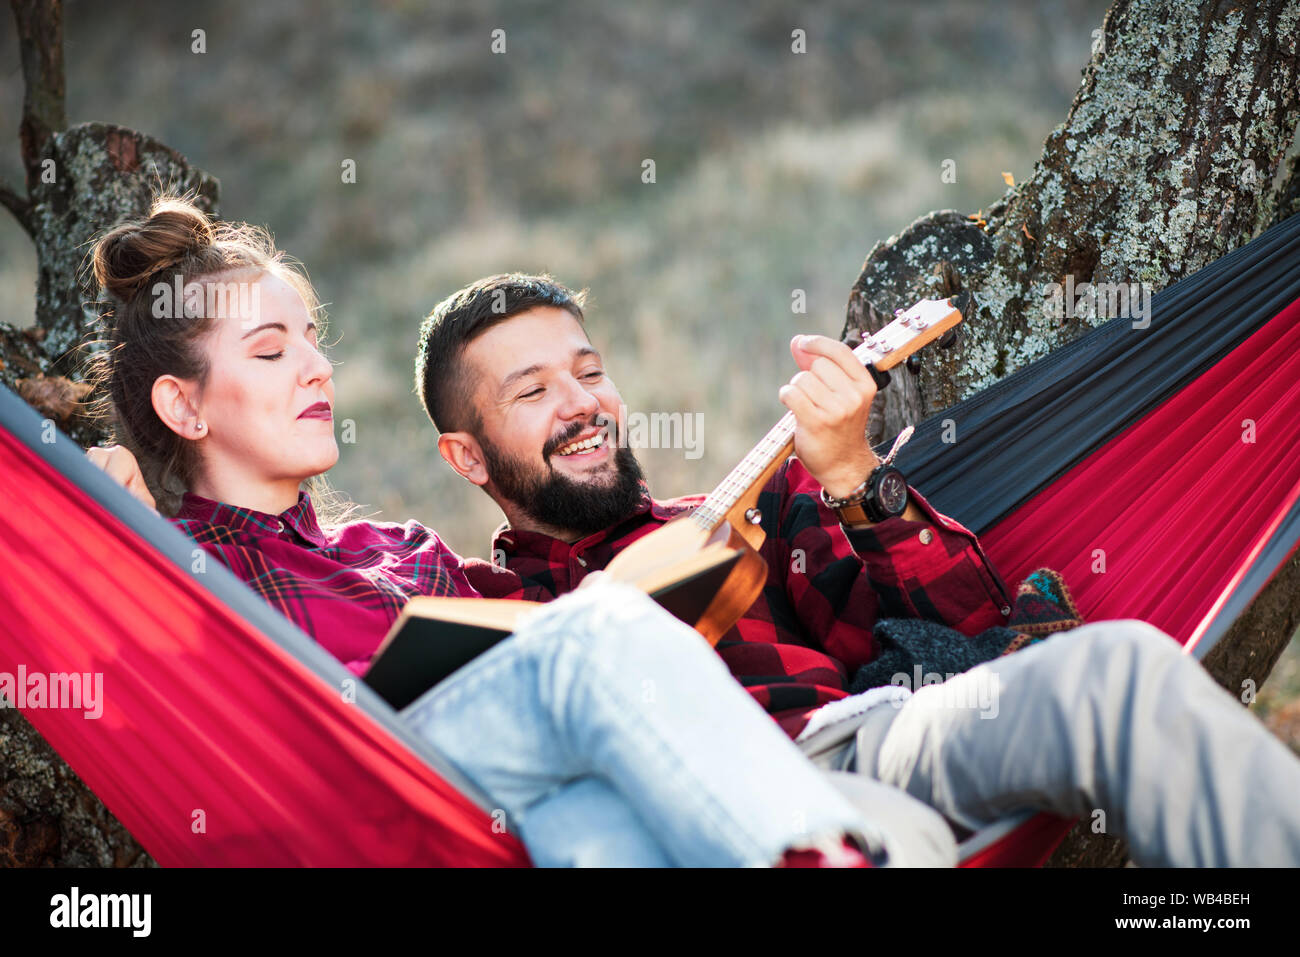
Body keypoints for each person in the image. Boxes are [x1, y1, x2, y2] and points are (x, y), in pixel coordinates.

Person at [84, 195, 962, 868]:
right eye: (273, 351)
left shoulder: (402, 553)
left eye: (313, 340)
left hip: (489, 807)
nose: (318, 366)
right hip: (367, 797)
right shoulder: (174, 573)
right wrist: (110, 533)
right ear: (183, 404)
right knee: (595, 631)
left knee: (595, 823)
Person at [415, 272, 1300, 867]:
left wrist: (847, 471)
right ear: (468, 457)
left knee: (1117, 671)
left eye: (590, 372)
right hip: (679, 821)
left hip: (856, 748)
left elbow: (968, 628)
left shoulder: (750, 515)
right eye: (532, 392)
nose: (581, 405)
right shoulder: (476, 608)